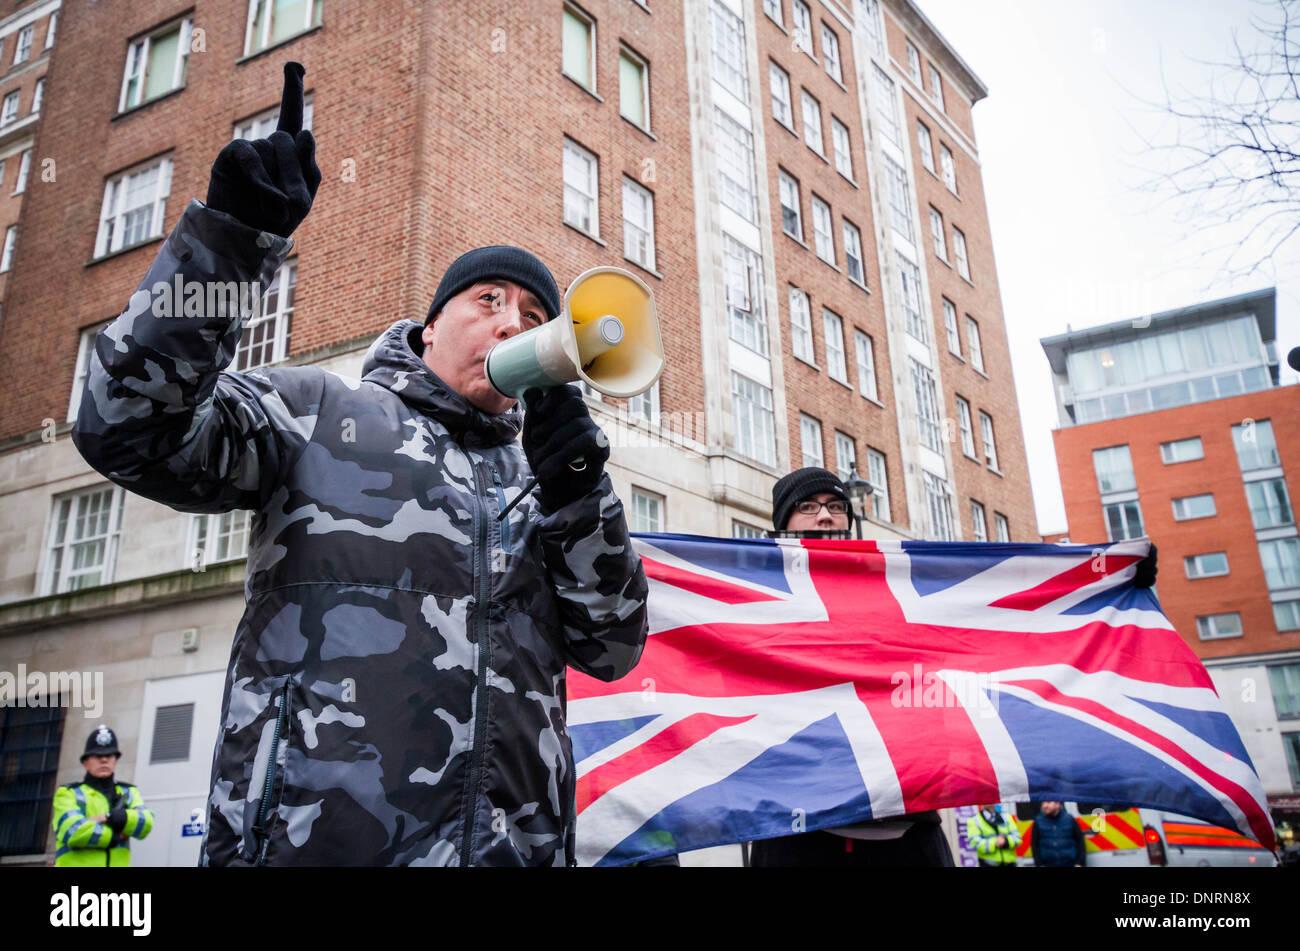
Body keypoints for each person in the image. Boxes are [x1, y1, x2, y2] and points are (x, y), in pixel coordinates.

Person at [71, 63, 649, 866]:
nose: (513, 326)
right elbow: (125, 428)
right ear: (431, 324)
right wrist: (228, 245)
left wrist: (581, 489)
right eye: (487, 301)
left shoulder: (544, 480)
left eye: (535, 317)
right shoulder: (317, 413)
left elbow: (613, 648)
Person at [748, 467, 954, 867]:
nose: (825, 516)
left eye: (836, 506)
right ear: (782, 522)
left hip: (906, 833)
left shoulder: (895, 591)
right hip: (797, 834)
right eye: (807, 507)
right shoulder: (757, 601)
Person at [51, 726, 154, 866]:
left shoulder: (128, 791)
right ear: (85, 763)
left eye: (110, 755)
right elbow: (73, 831)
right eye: (98, 756)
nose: (104, 760)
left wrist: (107, 818)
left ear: (115, 760)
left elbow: (145, 824)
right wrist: (116, 835)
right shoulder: (68, 793)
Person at [1030, 800, 1086, 867]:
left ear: (1058, 803)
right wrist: (1039, 864)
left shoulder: (1070, 819)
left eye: (1048, 802)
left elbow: (1080, 841)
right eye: (1043, 803)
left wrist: (1079, 863)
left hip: (1070, 863)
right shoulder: (1038, 821)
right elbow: (1034, 845)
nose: (1044, 806)